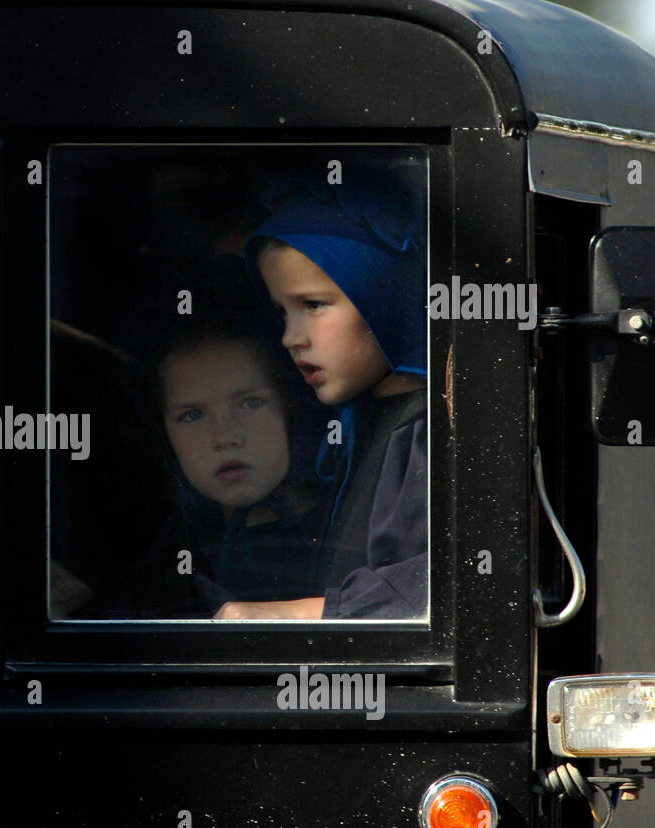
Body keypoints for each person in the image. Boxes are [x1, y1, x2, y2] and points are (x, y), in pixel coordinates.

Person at [221, 180, 427, 620]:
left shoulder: (429, 431)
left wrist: (287, 615)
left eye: (313, 304)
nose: (291, 338)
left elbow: (452, 584)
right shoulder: (352, 428)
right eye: (282, 312)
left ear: (383, 297)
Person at [97, 256, 326, 618]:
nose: (225, 437)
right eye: (192, 415)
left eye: (251, 403)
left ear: (289, 409)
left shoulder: (348, 533)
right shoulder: (163, 559)